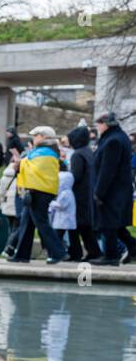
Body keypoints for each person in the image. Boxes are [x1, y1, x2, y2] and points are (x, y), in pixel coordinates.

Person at [11, 125, 66, 264]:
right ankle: (22, 255)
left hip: (39, 191)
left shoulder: (45, 152)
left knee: (41, 223)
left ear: (44, 137)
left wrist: (20, 163)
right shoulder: (45, 151)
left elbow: (33, 168)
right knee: (27, 223)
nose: (34, 138)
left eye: (36, 135)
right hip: (38, 190)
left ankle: (58, 251)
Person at [92, 111, 134, 265]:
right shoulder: (118, 137)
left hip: (112, 191)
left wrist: (99, 192)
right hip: (118, 189)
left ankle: (111, 256)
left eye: (99, 124)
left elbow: (107, 170)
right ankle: (133, 248)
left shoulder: (113, 141)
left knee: (108, 224)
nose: (97, 127)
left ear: (105, 124)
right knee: (116, 226)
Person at [65, 124, 104, 261]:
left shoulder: (77, 154)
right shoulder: (88, 152)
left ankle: (77, 252)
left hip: (78, 195)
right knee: (84, 226)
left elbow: (75, 176)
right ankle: (93, 251)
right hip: (88, 193)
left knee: (75, 225)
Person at [49, 171, 79, 261]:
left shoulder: (64, 194)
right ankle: (74, 255)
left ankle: (56, 254)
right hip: (65, 220)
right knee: (71, 238)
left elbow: (60, 205)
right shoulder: (68, 192)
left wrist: (51, 203)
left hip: (63, 220)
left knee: (57, 237)